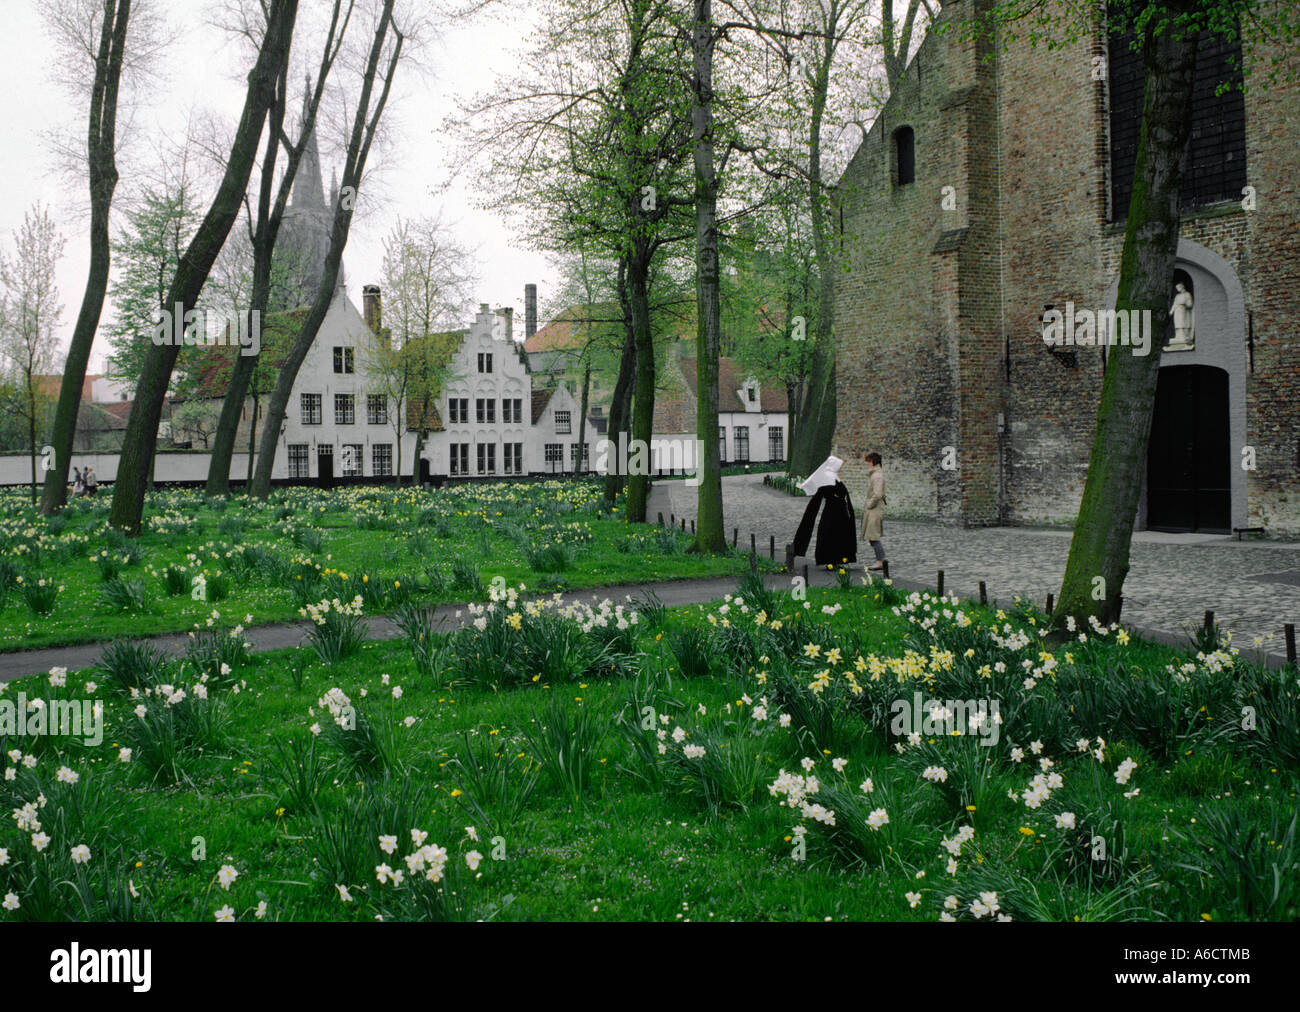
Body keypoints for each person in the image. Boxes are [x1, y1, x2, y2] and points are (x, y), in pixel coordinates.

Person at [789, 455, 857, 567]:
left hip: (839, 512)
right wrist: (835, 495)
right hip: (832, 512)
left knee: (838, 536)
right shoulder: (828, 477)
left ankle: (836, 560)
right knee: (830, 535)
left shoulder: (834, 476)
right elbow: (826, 491)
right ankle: (830, 560)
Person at [860, 452, 887, 571]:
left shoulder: (877, 476)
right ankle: (880, 560)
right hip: (873, 509)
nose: (867, 464)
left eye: (868, 461)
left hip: (874, 510)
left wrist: (869, 505)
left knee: (873, 536)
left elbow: (877, 494)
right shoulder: (875, 475)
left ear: (872, 462)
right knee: (872, 536)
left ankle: (880, 561)